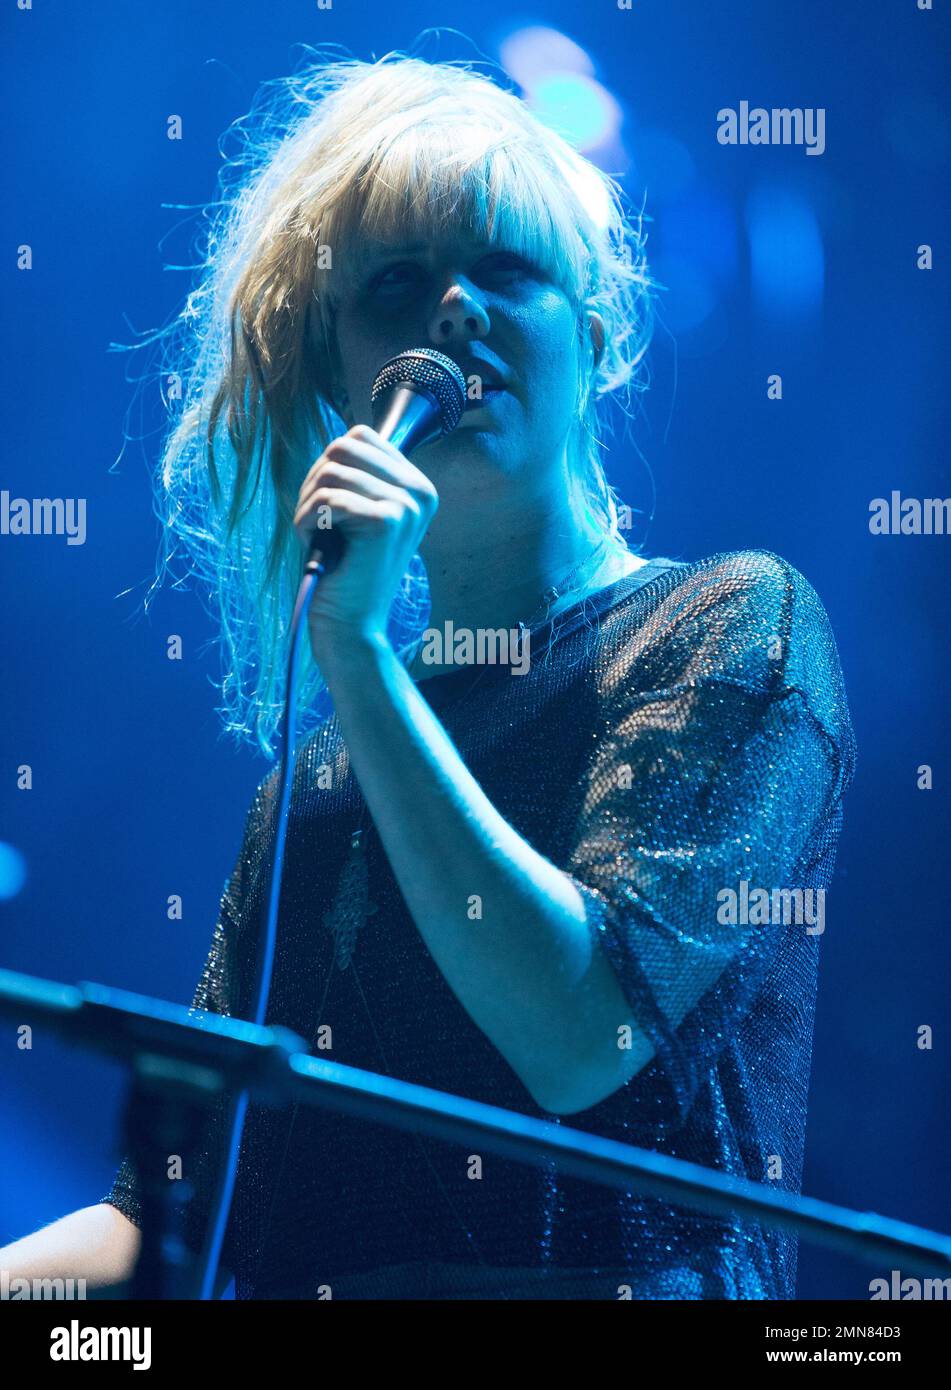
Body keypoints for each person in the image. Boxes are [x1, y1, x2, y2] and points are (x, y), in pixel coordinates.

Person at [0, 52, 855, 1300]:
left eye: (507, 269)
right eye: (397, 283)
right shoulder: (324, 777)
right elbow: (174, 1223)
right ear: (337, 370)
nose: (453, 308)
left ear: (602, 340)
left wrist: (351, 656)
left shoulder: (730, 621)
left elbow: (585, 1035)